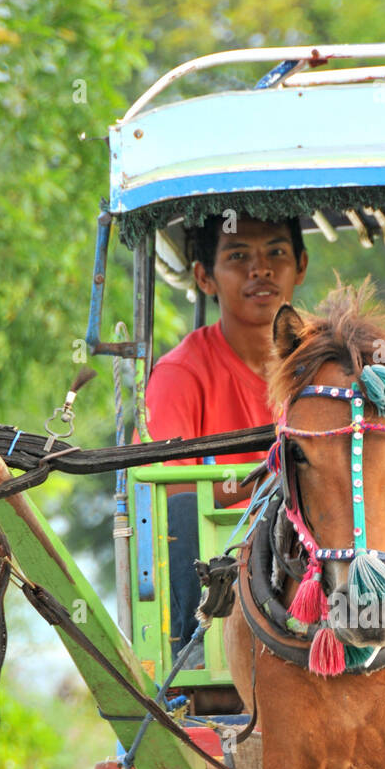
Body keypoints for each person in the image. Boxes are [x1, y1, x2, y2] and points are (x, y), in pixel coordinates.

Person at [144, 211, 308, 652]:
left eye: (276, 251)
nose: (261, 269)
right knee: (179, 511)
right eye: (239, 256)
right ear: (205, 277)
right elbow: (175, 493)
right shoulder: (181, 373)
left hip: (319, 546)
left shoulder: (328, 364)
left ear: (301, 265)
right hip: (229, 562)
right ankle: (196, 650)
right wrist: (280, 480)